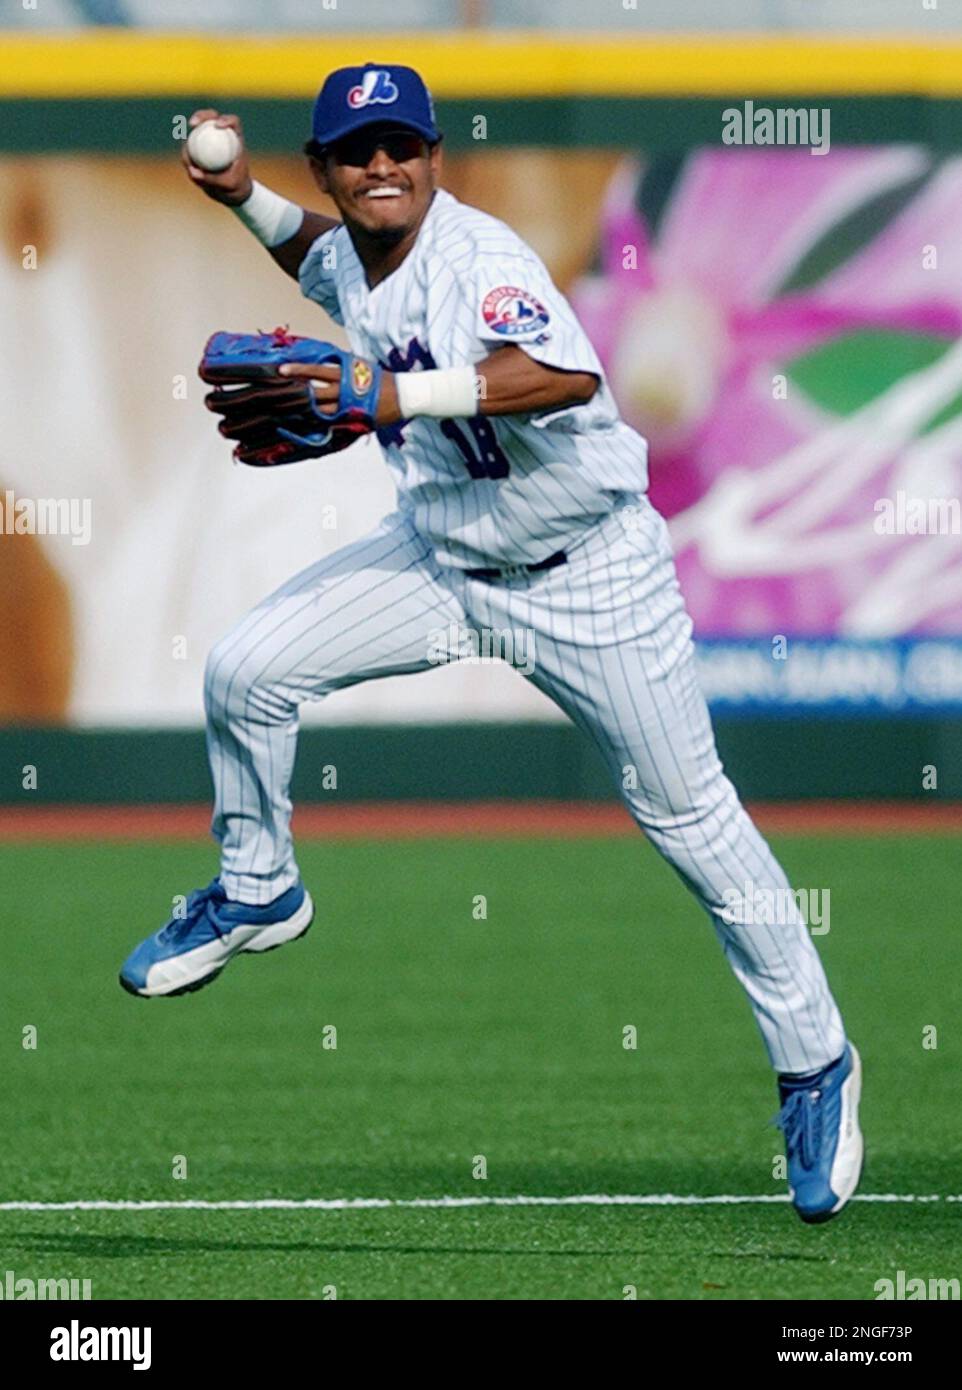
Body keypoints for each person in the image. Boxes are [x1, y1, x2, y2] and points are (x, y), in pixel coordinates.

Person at [119, 64, 863, 1224]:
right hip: (442, 558)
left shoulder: (481, 261)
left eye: (401, 146)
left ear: (431, 157)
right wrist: (238, 196)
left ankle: (816, 1062)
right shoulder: (353, 252)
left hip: (590, 575)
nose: (383, 166)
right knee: (244, 671)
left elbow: (564, 375)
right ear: (328, 167)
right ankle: (257, 887)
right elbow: (312, 252)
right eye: (358, 151)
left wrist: (387, 398)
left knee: (695, 828)